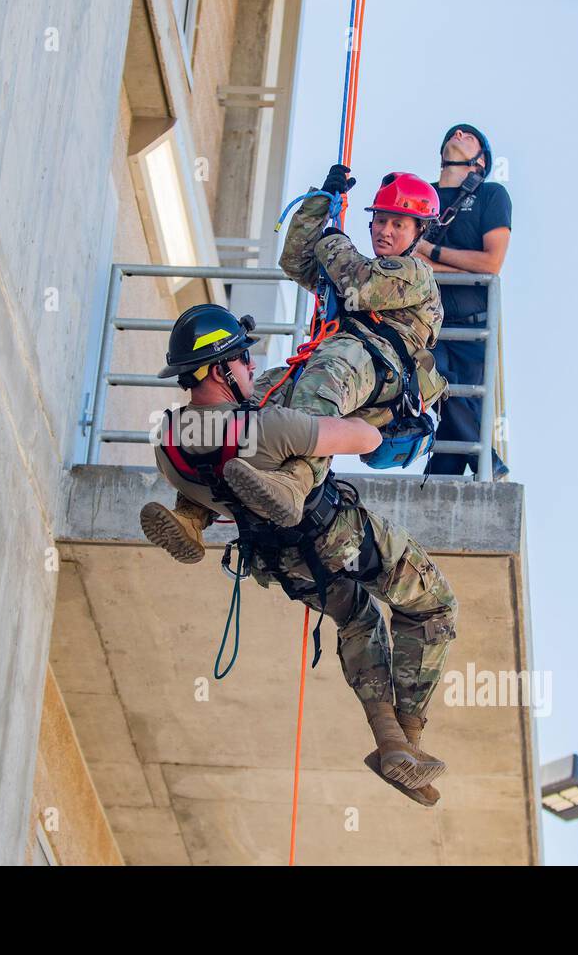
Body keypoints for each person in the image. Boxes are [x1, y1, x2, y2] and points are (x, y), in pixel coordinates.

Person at [139, 305, 458, 805]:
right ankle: (409, 736)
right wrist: (340, 421)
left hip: (278, 562)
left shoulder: (167, 440)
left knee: (358, 621)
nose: (250, 369)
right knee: (434, 606)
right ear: (223, 369)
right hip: (336, 535)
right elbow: (366, 440)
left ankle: (392, 745)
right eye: (244, 361)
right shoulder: (265, 428)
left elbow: (217, 479)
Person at [142, 163, 450, 558]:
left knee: (316, 398)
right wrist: (319, 204)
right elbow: (295, 262)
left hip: (378, 369)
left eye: (399, 225)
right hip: (333, 357)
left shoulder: (414, 273)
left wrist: (335, 240)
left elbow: (363, 285)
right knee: (249, 406)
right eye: (380, 220)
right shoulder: (348, 267)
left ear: (418, 232)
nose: (385, 231)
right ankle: (191, 513)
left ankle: (294, 484)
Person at [414, 124, 512, 479]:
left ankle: (440, 483)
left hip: (474, 326)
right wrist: (427, 259)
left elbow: (491, 264)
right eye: (453, 133)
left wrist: (432, 254)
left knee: (457, 412)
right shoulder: (422, 196)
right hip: (428, 322)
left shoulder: (492, 195)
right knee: (437, 384)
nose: (458, 133)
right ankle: (489, 462)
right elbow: (407, 255)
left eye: (469, 136)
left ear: (480, 161)